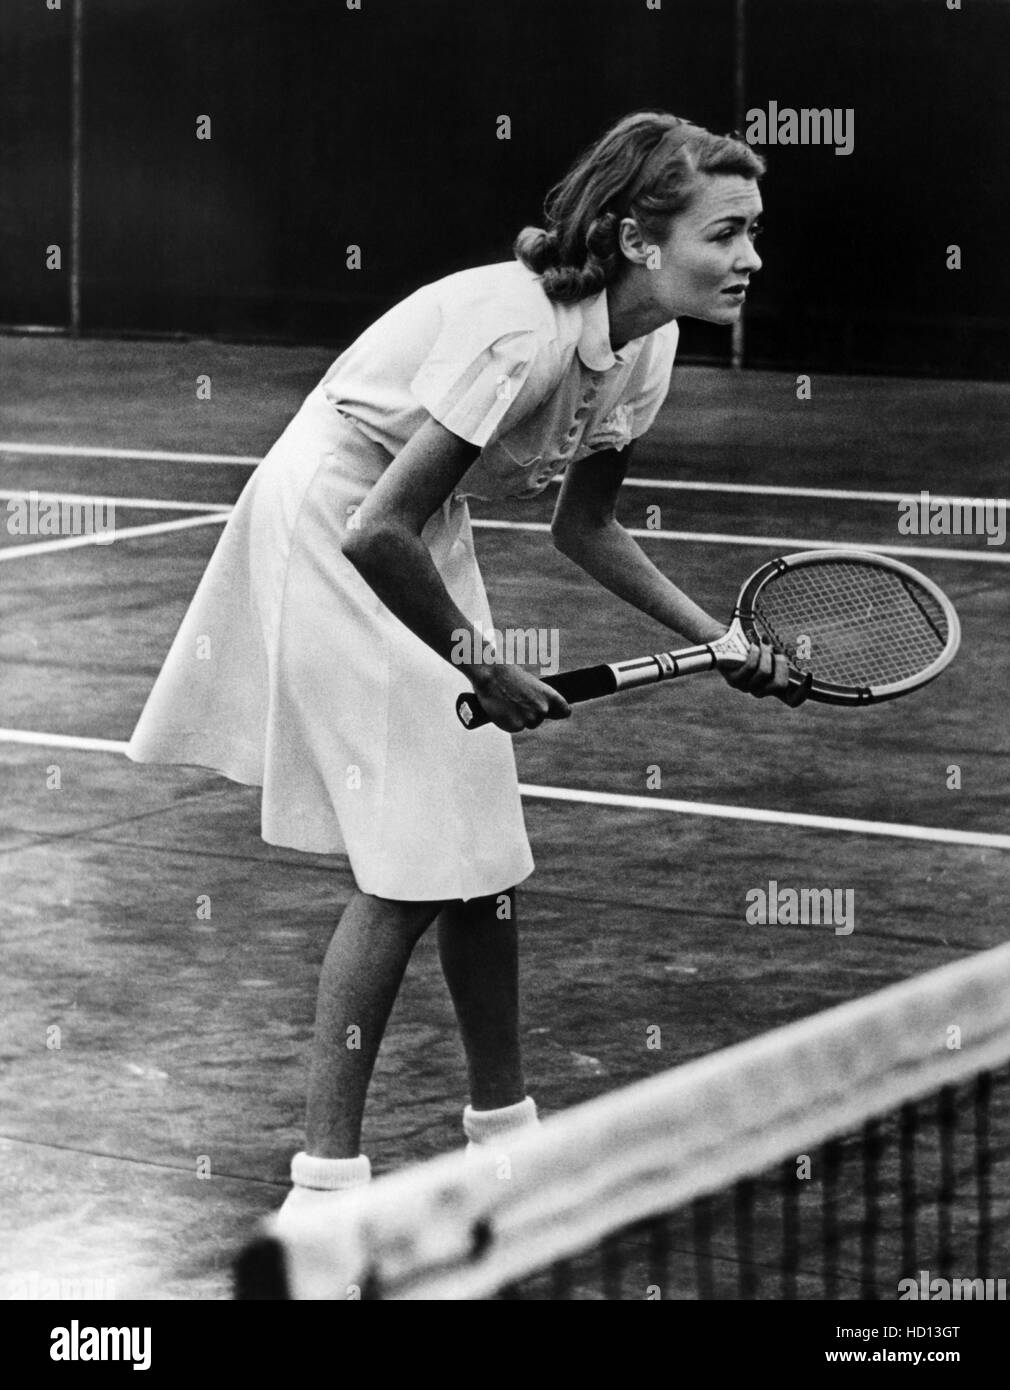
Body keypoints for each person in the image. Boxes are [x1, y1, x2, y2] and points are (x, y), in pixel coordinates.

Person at [126, 109, 805, 1219]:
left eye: (753, 232)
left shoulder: (650, 342)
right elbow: (371, 530)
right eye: (725, 233)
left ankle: (505, 1136)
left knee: (482, 848)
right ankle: (326, 1186)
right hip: (335, 518)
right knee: (407, 863)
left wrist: (718, 639)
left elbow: (583, 528)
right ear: (640, 238)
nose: (749, 258)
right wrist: (476, 663)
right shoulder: (517, 332)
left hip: (413, 527)